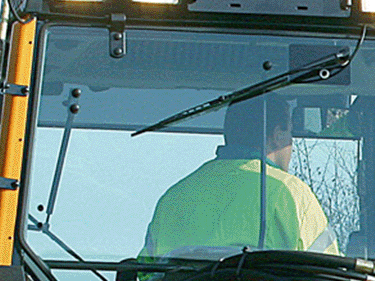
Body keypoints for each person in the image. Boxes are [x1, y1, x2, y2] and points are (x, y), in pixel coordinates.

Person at [144, 96, 336, 255]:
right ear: (278, 135)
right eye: (290, 133)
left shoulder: (174, 197)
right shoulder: (292, 193)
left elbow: (147, 278)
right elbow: (331, 275)